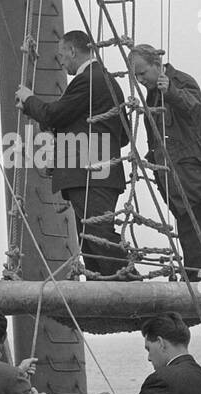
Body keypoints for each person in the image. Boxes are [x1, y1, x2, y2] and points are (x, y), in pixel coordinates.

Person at [15, 29, 133, 277]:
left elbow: (53, 114)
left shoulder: (88, 80)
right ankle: (106, 290)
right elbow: (122, 135)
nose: (61, 61)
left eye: (62, 55)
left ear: (72, 50)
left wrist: (28, 100)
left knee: (97, 234)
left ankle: (129, 286)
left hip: (89, 174)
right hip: (100, 171)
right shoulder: (107, 81)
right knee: (89, 237)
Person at [128, 43, 201, 280]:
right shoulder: (152, 94)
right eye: (136, 76)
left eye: (142, 73)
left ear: (157, 65)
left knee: (195, 232)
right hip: (178, 174)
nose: (140, 80)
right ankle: (196, 282)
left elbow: (194, 109)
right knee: (189, 232)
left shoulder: (180, 81)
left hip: (195, 171)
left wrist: (170, 89)